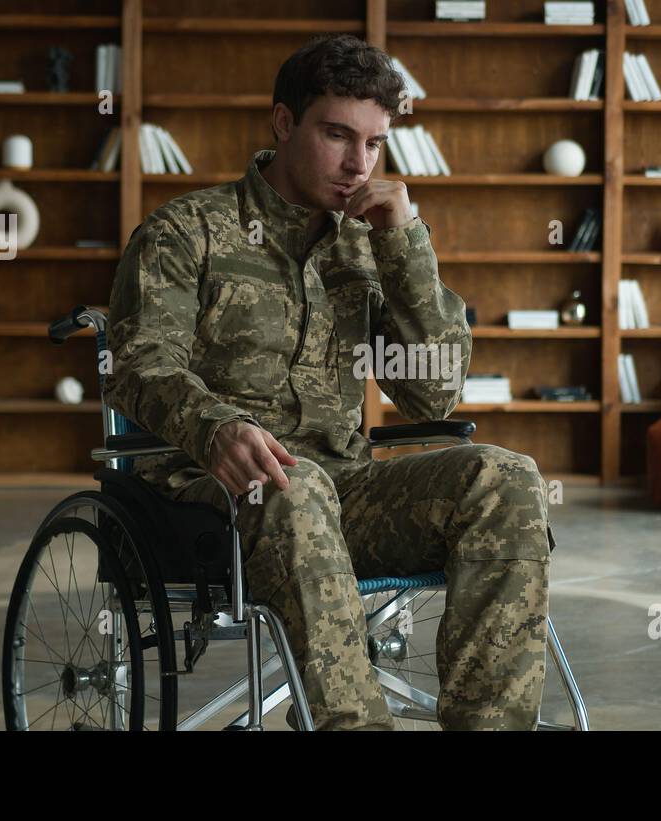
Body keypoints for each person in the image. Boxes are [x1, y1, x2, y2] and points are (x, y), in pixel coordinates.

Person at [103, 34, 553, 730]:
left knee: (508, 478)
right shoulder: (186, 232)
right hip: (212, 493)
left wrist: (404, 240)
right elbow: (139, 365)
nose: (357, 163)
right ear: (284, 124)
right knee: (295, 481)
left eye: (374, 143)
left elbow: (432, 393)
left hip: (346, 487)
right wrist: (216, 425)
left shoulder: (365, 243)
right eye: (337, 135)